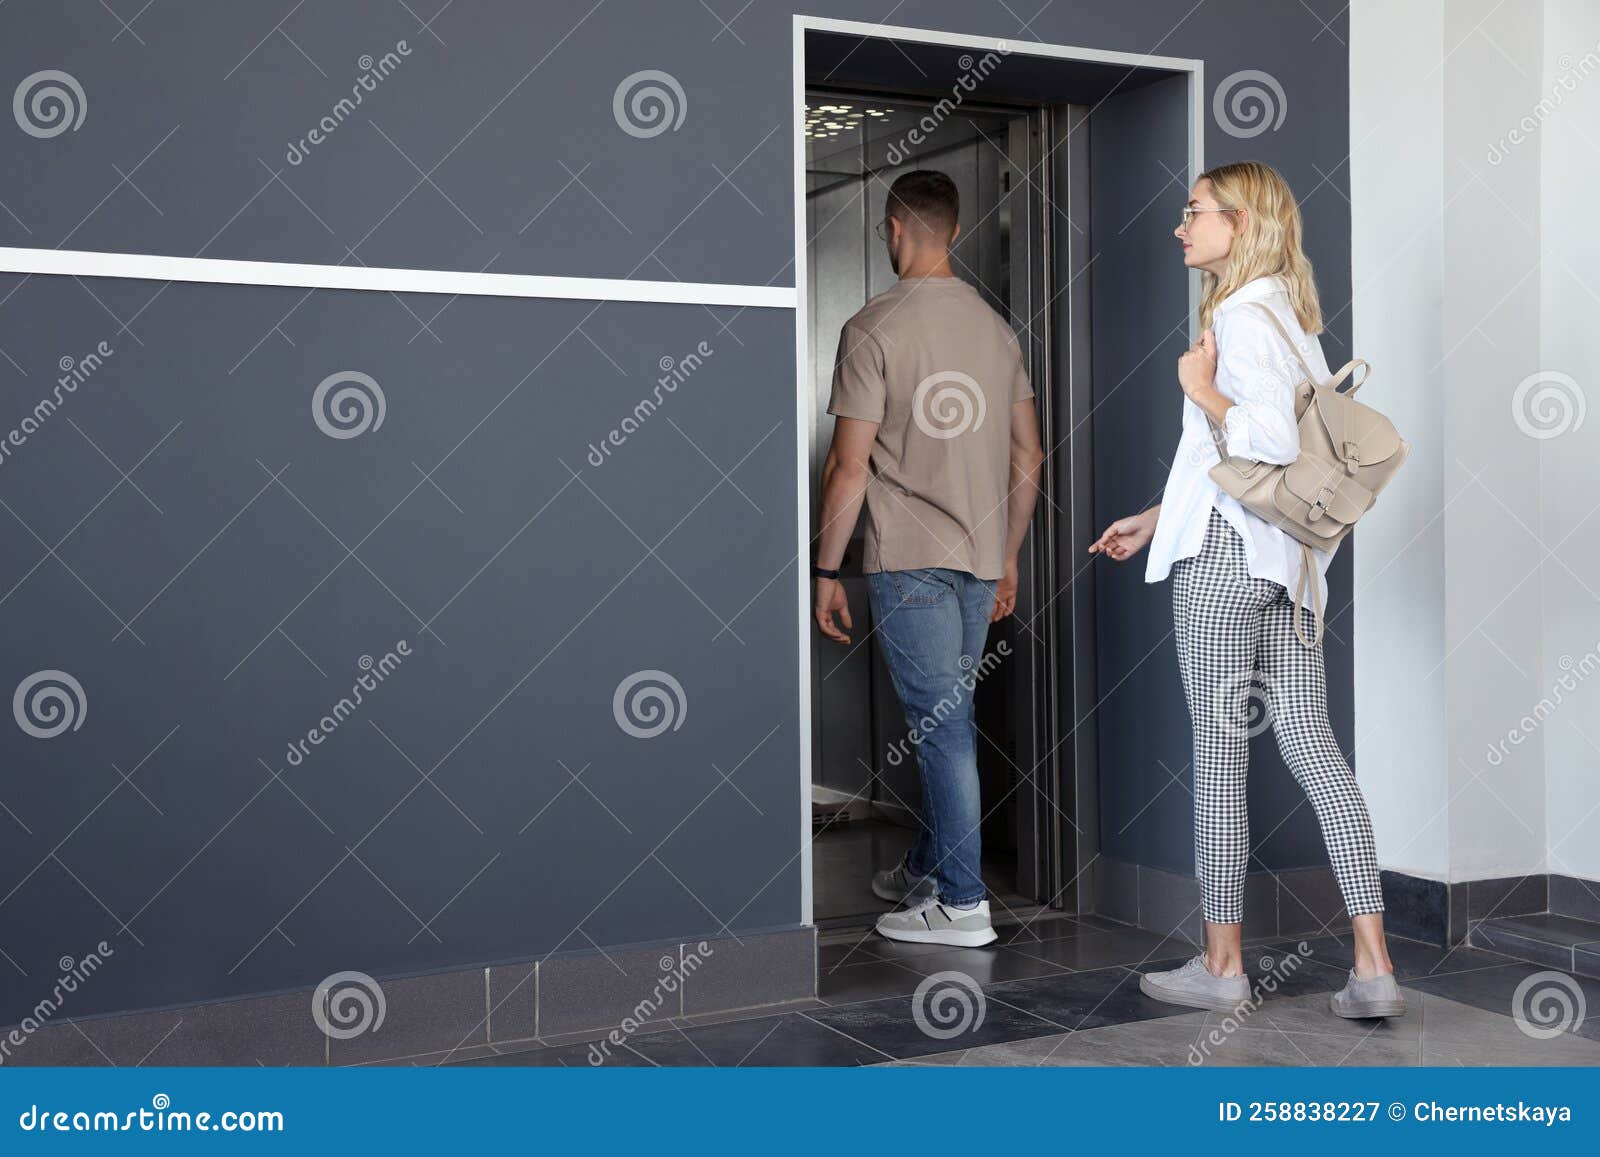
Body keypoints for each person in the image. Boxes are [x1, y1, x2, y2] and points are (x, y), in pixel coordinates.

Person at [1089, 161, 1405, 1019]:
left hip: (1226, 566)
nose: (1181, 227)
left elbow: (1257, 435)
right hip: (1291, 565)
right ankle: (1373, 966)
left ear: (1241, 222)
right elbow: (1258, 461)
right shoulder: (1294, 319)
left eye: (1194, 213)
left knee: (1220, 759)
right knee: (1314, 748)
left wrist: (1198, 388)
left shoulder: (1237, 312)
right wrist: (1159, 516)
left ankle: (1222, 966)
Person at [812, 169, 1045, 948]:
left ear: (894, 229)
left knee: (942, 729)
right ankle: (923, 867)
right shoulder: (996, 327)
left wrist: (824, 570)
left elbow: (848, 466)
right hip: (981, 558)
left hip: (909, 558)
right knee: (953, 720)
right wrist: (1007, 556)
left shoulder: (873, 326)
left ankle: (964, 903)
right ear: (954, 231)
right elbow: (1029, 457)